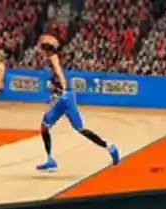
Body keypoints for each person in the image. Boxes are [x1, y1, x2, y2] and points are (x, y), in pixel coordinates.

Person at [34, 34, 120, 172]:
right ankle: (109, 147)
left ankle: (51, 160)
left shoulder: (52, 58)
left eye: (41, 48)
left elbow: (58, 71)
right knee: (80, 129)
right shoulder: (51, 57)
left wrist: (62, 86)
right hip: (67, 97)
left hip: (63, 97)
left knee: (45, 126)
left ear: (46, 50)